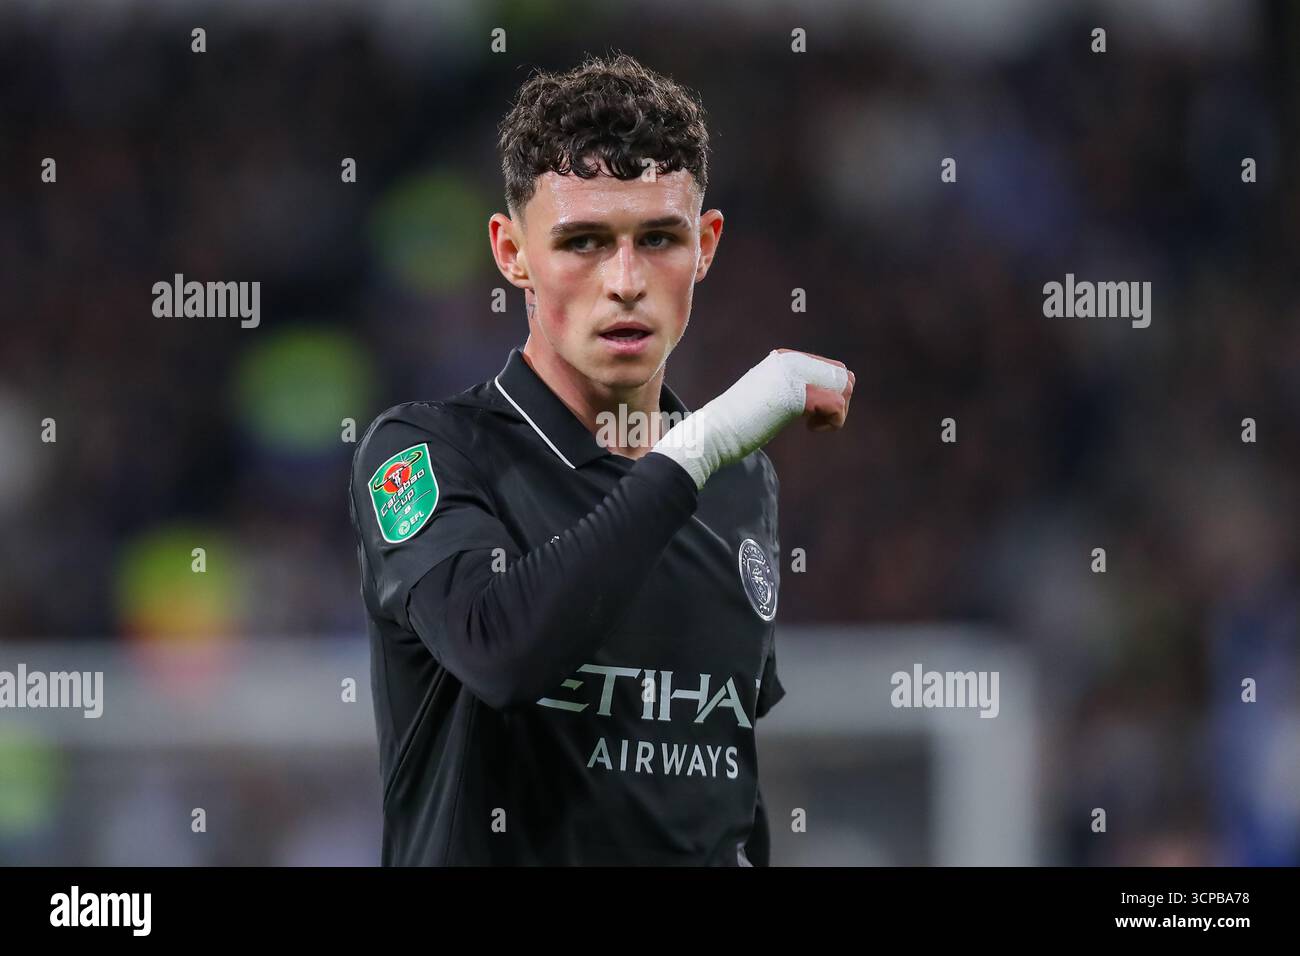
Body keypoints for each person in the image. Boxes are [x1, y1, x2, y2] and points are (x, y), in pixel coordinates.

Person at [348, 52, 854, 865]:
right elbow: (501, 652)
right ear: (512, 253)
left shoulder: (740, 481)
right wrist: (696, 450)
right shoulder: (429, 453)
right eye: (583, 242)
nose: (624, 281)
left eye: (658, 238)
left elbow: (718, 773)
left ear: (706, 245)